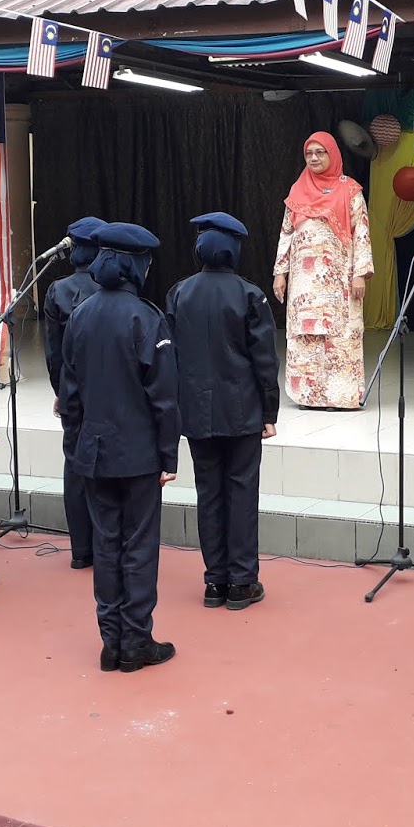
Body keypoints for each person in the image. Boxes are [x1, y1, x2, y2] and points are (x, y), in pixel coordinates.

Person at [61, 222, 181, 673]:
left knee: (107, 545)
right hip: (138, 454)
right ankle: (136, 641)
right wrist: (168, 455)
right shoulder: (146, 318)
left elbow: (69, 394)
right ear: (135, 265)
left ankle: (110, 642)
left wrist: (76, 444)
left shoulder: (81, 314)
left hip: (93, 452)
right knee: (139, 547)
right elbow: (164, 397)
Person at [166, 212, 279, 610]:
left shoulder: (179, 293)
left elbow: (173, 357)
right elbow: (264, 360)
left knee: (208, 495)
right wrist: (270, 411)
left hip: (196, 411)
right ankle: (242, 582)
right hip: (243, 411)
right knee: (242, 494)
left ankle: (214, 582)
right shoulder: (250, 295)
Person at [273, 131, 372, 409]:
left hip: (338, 279)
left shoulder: (349, 189)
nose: (314, 158)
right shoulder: (297, 190)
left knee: (338, 337)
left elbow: (362, 233)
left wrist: (359, 274)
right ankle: (308, 396)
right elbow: (286, 233)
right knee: (306, 335)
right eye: (309, 153)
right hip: (304, 282)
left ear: (333, 154)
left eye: (320, 152)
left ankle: (339, 397)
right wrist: (280, 272)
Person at [44, 216, 105, 570]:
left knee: (74, 466)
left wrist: (61, 389)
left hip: (72, 392)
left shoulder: (57, 290)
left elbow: (54, 353)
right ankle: (107, 542)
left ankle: (81, 550)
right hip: (108, 393)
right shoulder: (111, 289)